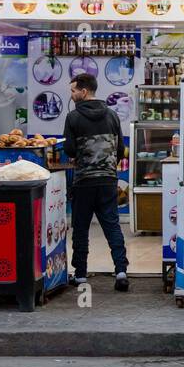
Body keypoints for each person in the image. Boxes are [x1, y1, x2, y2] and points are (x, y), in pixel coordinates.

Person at [63, 73, 129, 291]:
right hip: (108, 180)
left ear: (83, 91)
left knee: (81, 228)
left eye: (73, 91)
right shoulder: (112, 115)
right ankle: (121, 271)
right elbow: (120, 149)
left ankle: (80, 275)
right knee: (112, 226)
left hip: (84, 181)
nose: (71, 95)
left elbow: (70, 150)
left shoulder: (73, 118)